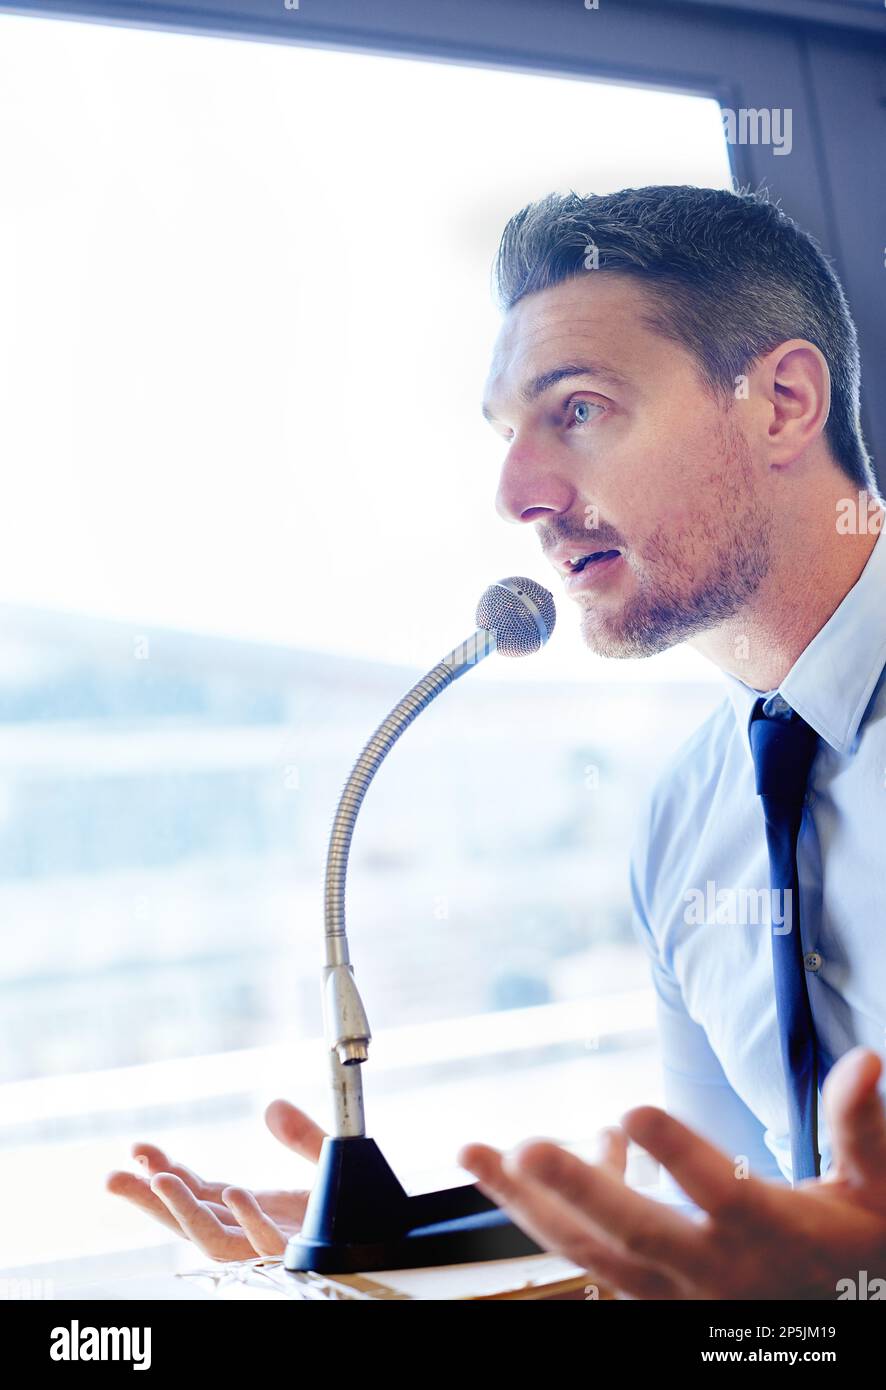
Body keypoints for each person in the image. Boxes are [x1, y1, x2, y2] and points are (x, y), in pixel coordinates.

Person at [107, 185, 886, 1298]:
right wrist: (424, 1241)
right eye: (508, 433)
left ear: (781, 403)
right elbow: (725, 1222)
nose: (518, 491)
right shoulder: (685, 820)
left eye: (577, 410)